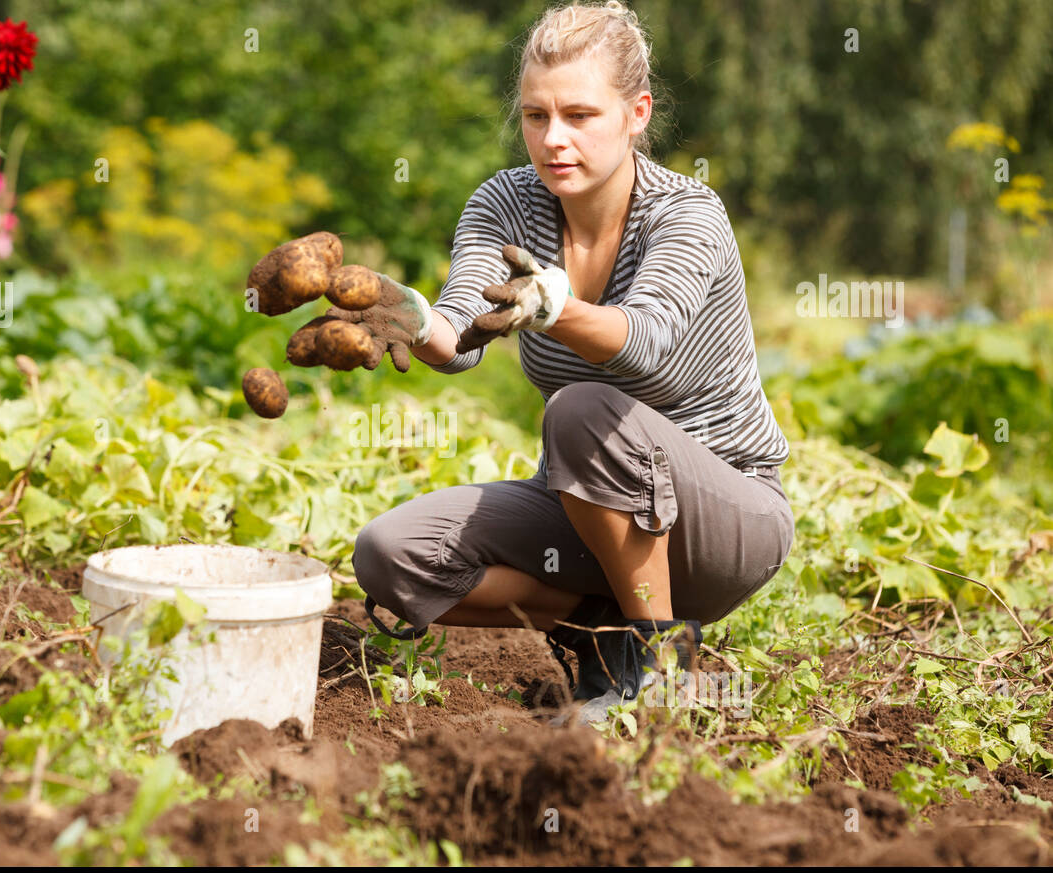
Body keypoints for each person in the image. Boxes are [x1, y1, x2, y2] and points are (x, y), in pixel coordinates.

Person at [318, 0, 793, 725]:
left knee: (578, 407)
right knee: (392, 555)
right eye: (535, 116)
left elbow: (648, 342)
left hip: (725, 517)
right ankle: (603, 638)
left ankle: (666, 670)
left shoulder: (687, 214)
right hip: (596, 510)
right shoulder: (506, 204)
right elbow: (461, 336)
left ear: (636, 113)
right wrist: (412, 316)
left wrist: (554, 307)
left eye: (579, 115)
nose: (553, 138)